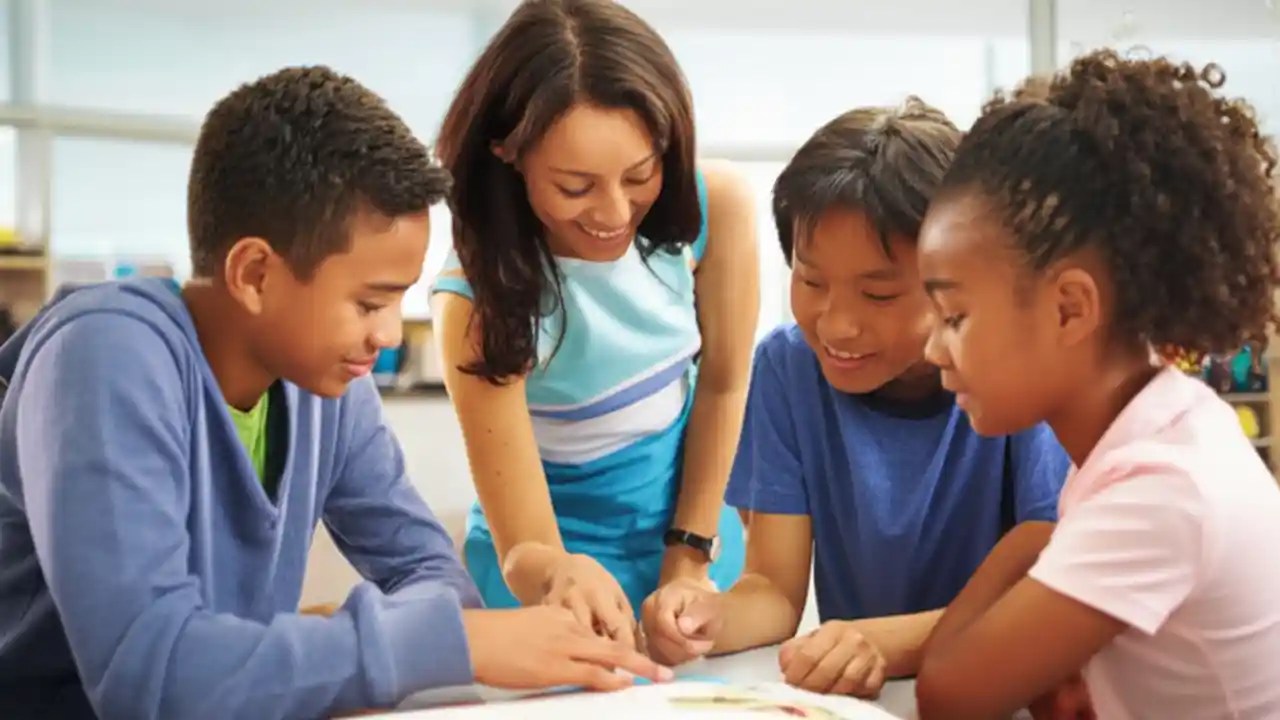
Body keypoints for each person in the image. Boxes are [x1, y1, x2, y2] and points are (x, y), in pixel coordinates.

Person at [0, 66, 669, 720]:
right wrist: (438, 643)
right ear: (256, 272)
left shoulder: (324, 385)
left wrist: (351, 638)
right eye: (369, 301)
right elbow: (149, 677)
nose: (385, 334)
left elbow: (436, 584)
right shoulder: (103, 354)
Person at [640, 99, 1071, 696]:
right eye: (811, 280)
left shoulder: (1018, 374)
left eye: (879, 294)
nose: (837, 326)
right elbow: (772, 587)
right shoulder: (790, 367)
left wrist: (886, 643)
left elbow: (1053, 586)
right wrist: (705, 617)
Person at [914, 49, 1280, 719]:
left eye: (954, 315)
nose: (933, 346)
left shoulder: (1163, 486)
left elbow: (951, 693)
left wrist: (1028, 544)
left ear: (1069, 309)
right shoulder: (1169, 425)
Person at [431, 0, 759, 647]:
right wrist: (562, 580)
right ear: (506, 154)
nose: (615, 212)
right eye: (575, 187)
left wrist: (688, 561)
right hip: (552, 570)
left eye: (640, 174)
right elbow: (524, 544)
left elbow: (723, 387)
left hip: (695, 541)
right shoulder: (475, 300)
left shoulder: (711, 207)